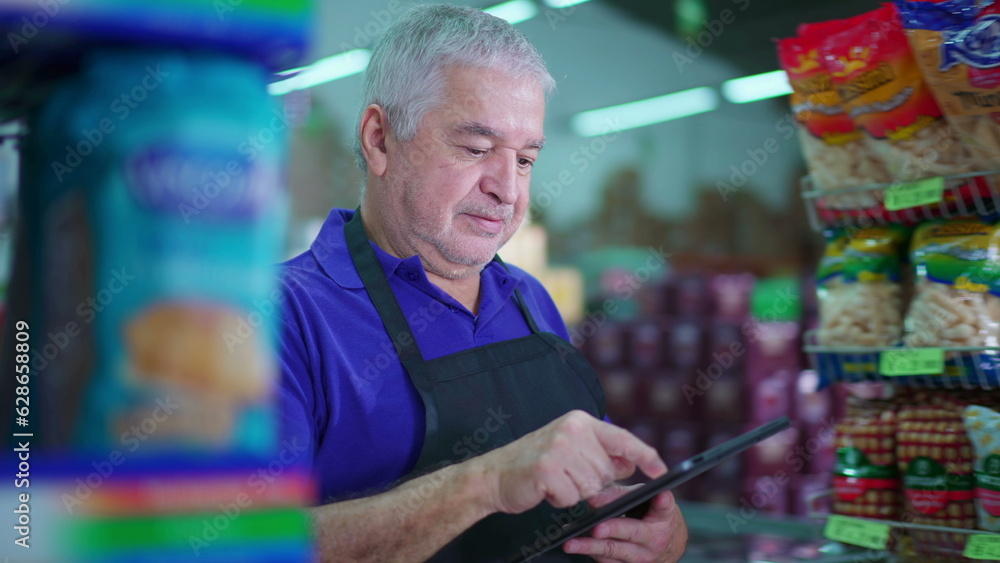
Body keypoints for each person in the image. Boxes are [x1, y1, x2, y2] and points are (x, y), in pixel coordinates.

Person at [277, 5, 688, 562]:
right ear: (379, 139)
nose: (508, 190)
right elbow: (237, 548)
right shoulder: (283, 318)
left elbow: (596, 484)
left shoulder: (528, 300)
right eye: (475, 149)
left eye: (524, 160)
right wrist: (484, 483)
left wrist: (654, 533)